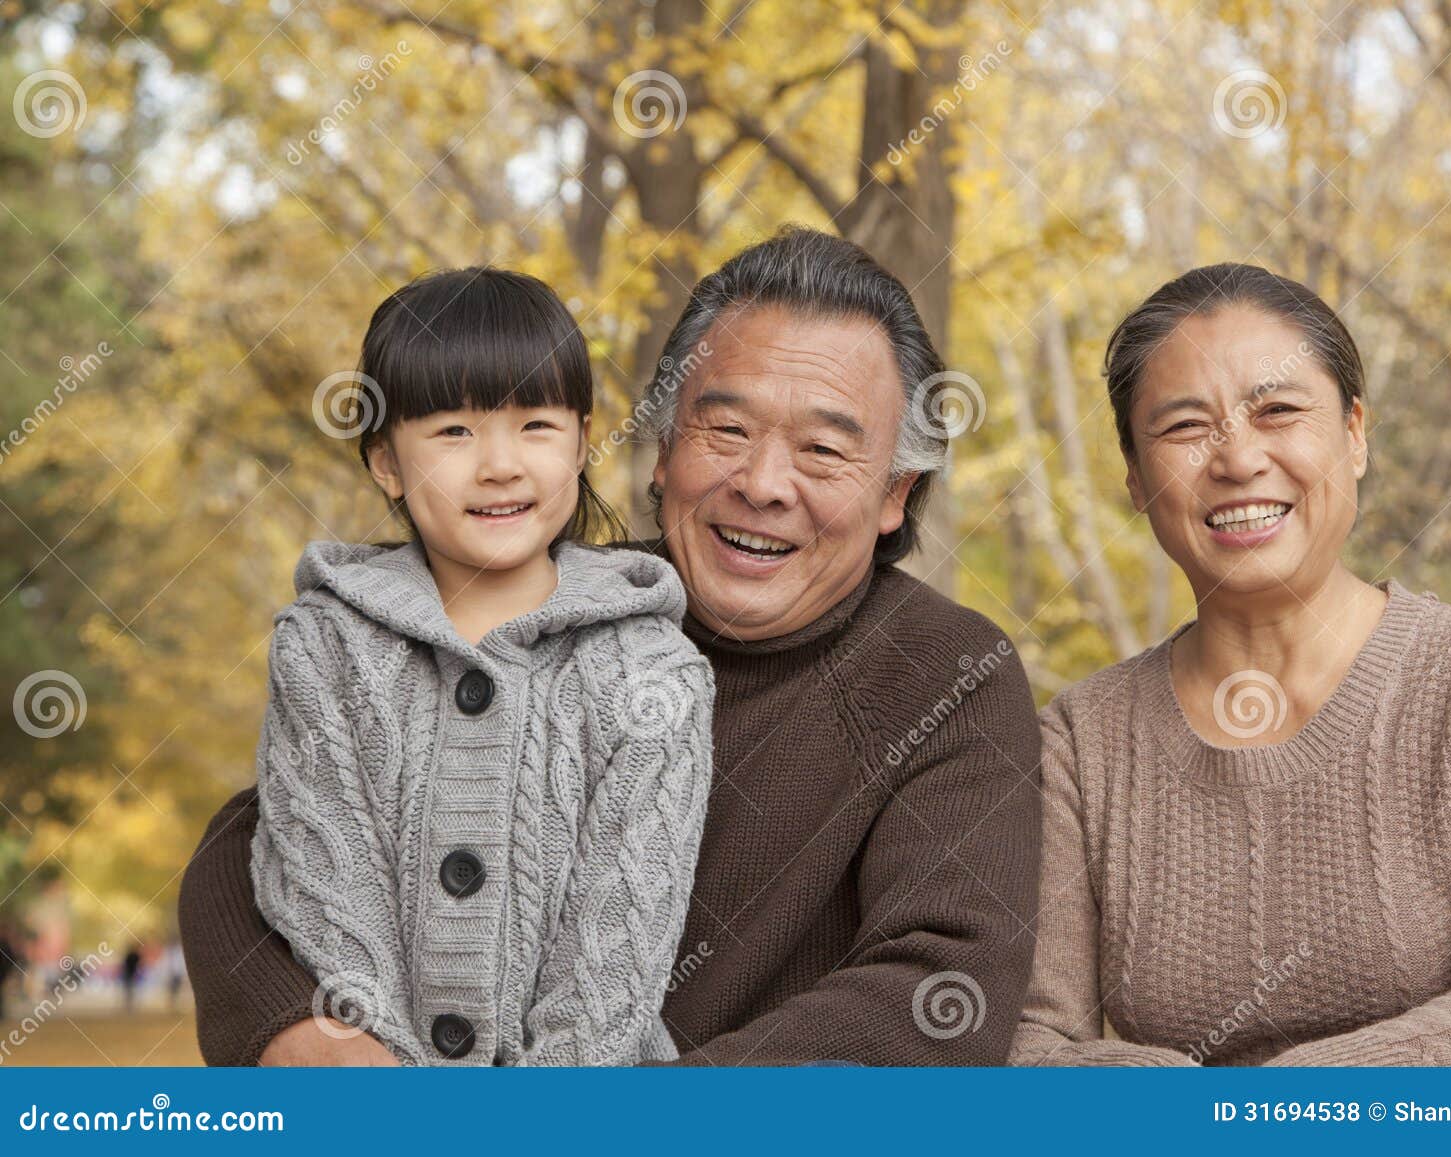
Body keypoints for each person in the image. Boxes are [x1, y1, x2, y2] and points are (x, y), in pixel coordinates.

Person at [179, 227, 1042, 1067]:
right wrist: (294, 1026)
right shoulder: (553, 600)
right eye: (726, 431)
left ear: (896, 492)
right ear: (663, 449)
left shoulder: (946, 674)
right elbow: (255, 838)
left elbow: (937, 988)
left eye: (822, 450)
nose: (763, 484)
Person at [1010, 263, 1451, 1067]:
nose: (1237, 458)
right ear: (1137, 480)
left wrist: (1283, 1105)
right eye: (1185, 426)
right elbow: (1030, 1040)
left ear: (1355, 434)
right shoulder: (1080, 742)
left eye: (1278, 411)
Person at [244, 267, 714, 1065]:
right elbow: (330, 909)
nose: (500, 464)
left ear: (582, 441)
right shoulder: (324, 648)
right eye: (454, 431)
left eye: (536, 425)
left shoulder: (653, 673)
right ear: (386, 461)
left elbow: (614, 963)